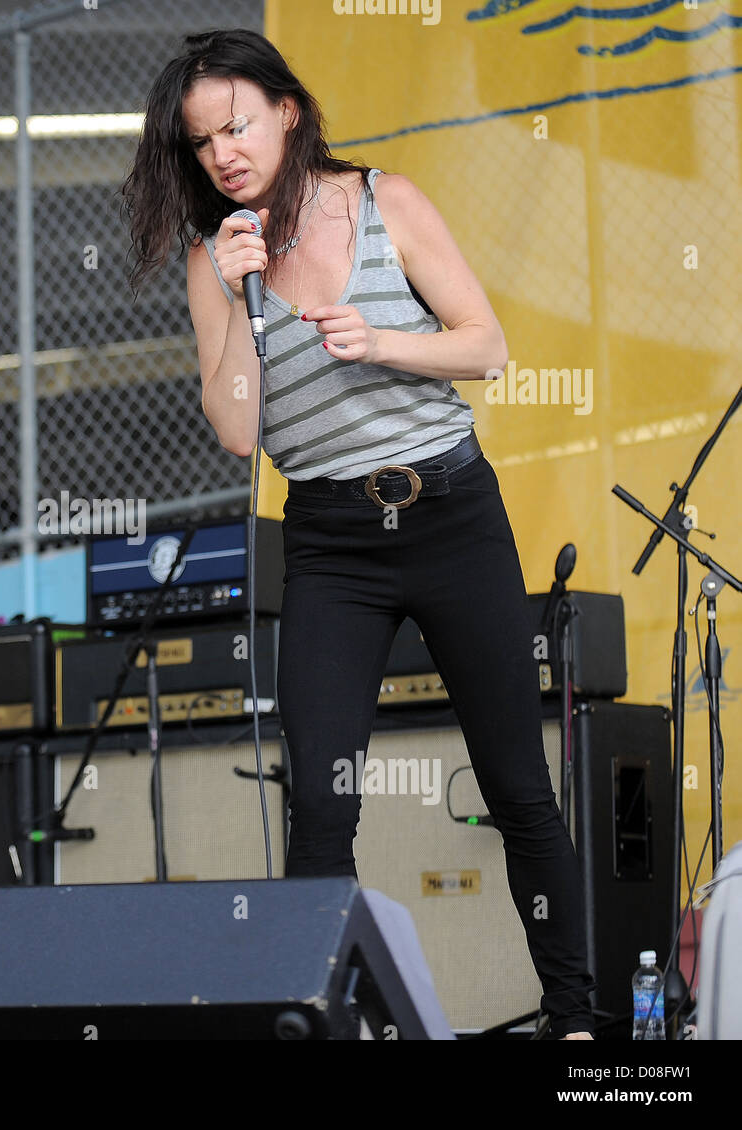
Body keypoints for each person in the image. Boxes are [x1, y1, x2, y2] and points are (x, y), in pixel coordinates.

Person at [122, 29, 596, 1039]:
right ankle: (323, 1018)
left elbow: (487, 345)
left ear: (288, 111)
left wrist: (378, 339)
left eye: (237, 124)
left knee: (517, 782)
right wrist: (248, 310)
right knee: (322, 800)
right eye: (203, 142)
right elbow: (239, 428)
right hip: (333, 539)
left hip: (450, 510)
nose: (223, 153)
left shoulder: (387, 200)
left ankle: (577, 1016)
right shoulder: (217, 265)